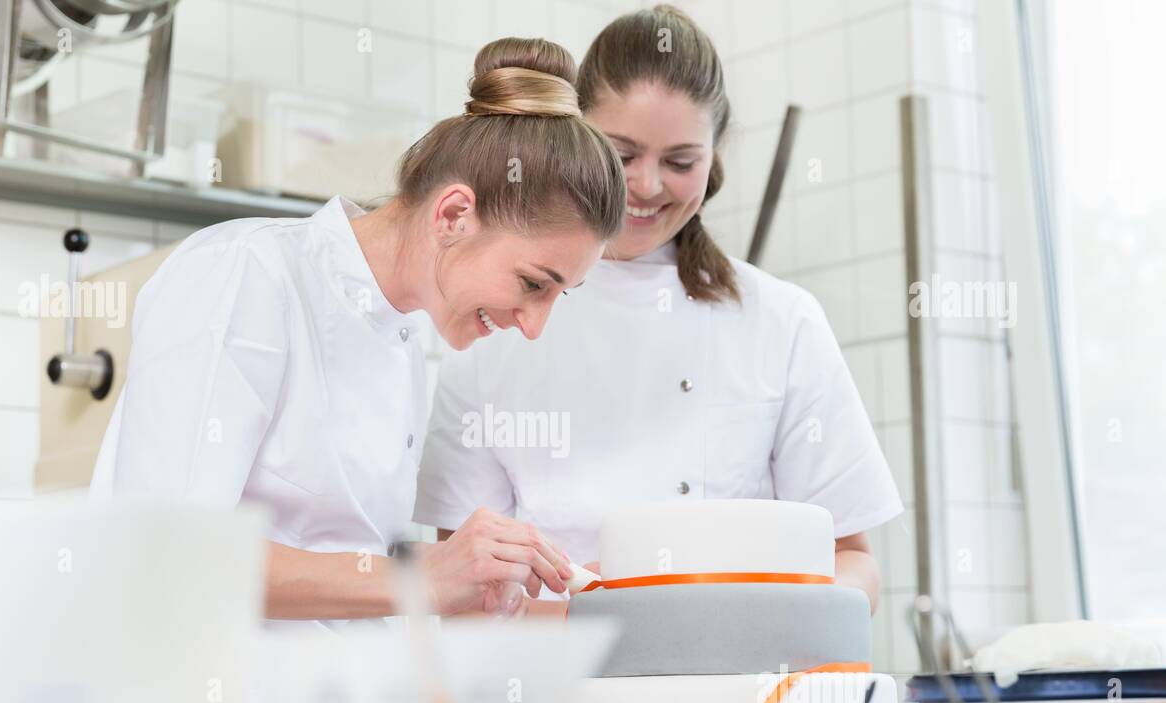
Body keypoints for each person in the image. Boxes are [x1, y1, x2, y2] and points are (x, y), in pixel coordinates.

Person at [91, 37, 626, 620]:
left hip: (340, 702)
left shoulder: (401, 334)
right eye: (532, 284)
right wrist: (419, 577)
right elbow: (166, 549)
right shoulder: (245, 274)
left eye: (557, 296)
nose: (533, 326)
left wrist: (498, 582)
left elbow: (344, 557)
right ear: (452, 214)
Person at [415, 6, 902, 614]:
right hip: (557, 690)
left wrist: (763, 610)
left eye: (680, 161)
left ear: (714, 155)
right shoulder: (492, 319)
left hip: (743, 691)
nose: (646, 186)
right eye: (621, 155)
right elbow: (461, 593)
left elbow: (853, 560)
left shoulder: (782, 320)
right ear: (578, 138)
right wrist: (607, 613)